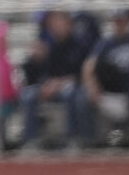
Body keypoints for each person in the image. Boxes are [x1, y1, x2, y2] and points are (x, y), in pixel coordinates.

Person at [78, 10, 129, 145]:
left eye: (122, 21)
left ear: (128, 22)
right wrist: (92, 86)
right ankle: (88, 140)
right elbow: (88, 66)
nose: (119, 24)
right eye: (116, 21)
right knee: (82, 96)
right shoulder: (105, 43)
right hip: (112, 88)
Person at [16, 9, 86, 149]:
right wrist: (34, 60)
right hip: (48, 87)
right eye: (53, 23)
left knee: (70, 93)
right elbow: (36, 75)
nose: (56, 26)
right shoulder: (47, 44)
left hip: (71, 87)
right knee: (28, 94)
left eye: (60, 22)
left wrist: (59, 83)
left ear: (69, 24)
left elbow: (81, 75)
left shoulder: (78, 44)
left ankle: (71, 139)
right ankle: (31, 140)